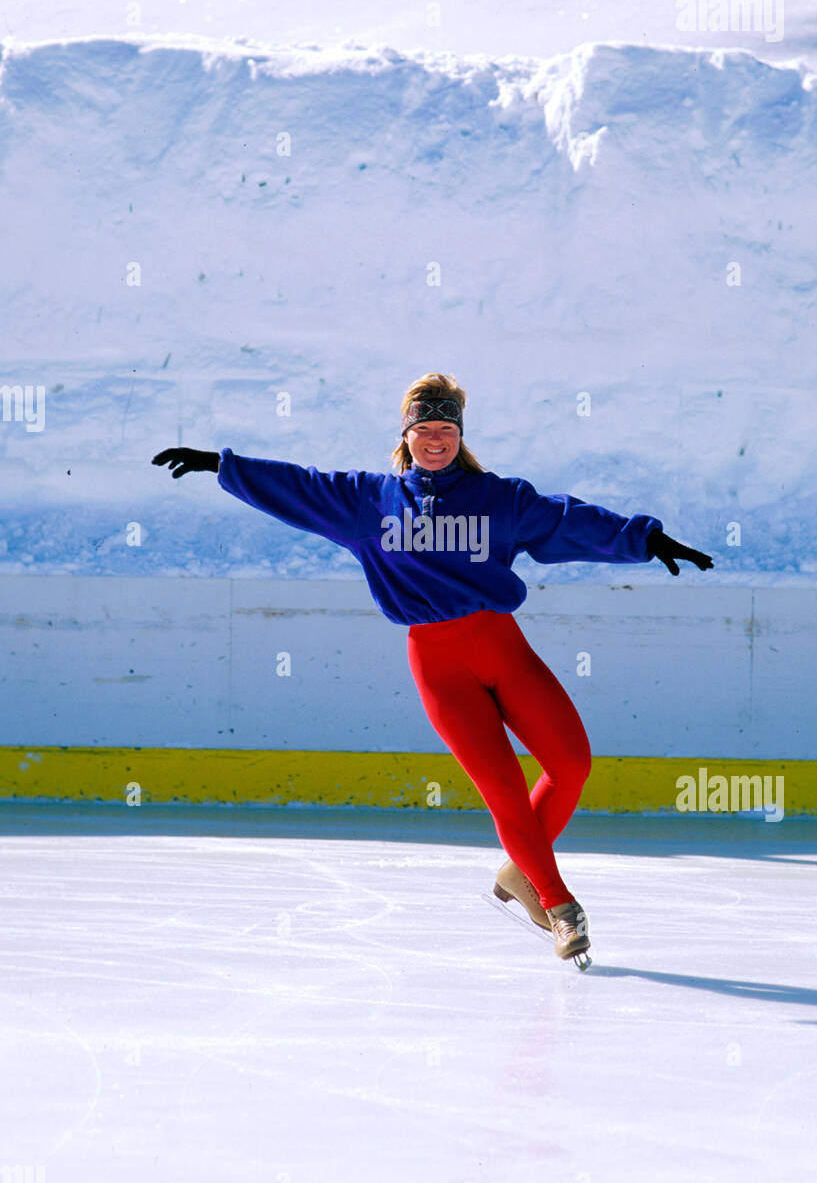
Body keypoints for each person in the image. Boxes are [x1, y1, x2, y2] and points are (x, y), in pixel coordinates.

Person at [152, 371, 714, 963]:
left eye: (446, 429)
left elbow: (566, 519)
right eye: (425, 430)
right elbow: (300, 486)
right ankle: (559, 906)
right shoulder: (369, 502)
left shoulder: (500, 498)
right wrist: (223, 465)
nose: (436, 440)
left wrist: (648, 541)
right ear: (407, 435)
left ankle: (522, 869)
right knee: (504, 794)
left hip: (502, 645)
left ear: (460, 434)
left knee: (572, 762)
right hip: (438, 664)